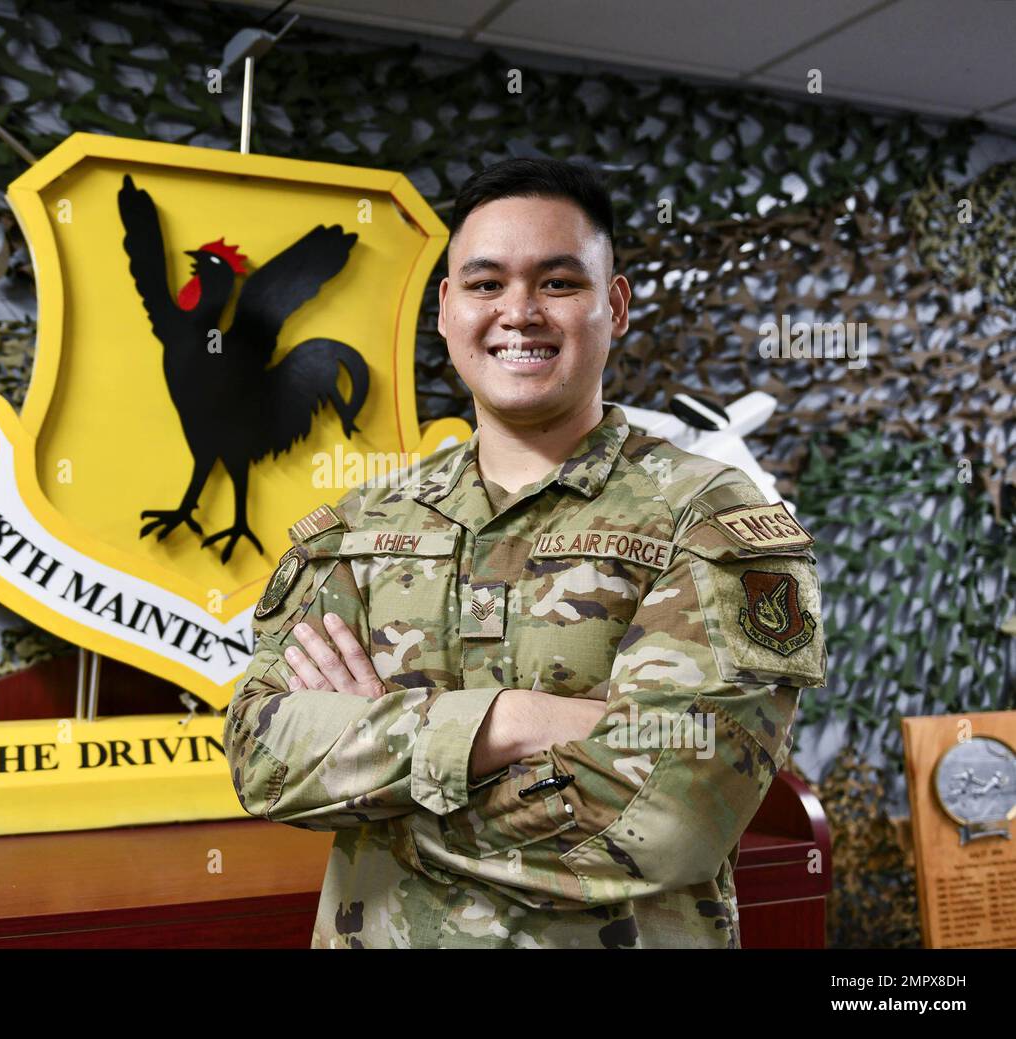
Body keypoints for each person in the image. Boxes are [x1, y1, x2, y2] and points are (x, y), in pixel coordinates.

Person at [223, 157, 827, 948]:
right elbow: (262, 756)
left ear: (613, 304)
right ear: (446, 309)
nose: (519, 312)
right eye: (485, 284)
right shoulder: (362, 525)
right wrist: (515, 721)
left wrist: (387, 778)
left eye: (558, 283)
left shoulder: (709, 518)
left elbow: (669, 813)